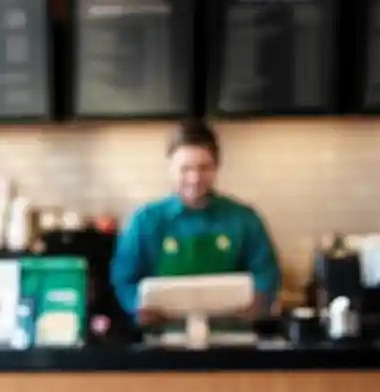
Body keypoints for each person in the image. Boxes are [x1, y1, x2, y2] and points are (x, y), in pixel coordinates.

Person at [109, 119, 282, 327]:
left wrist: (259, 300)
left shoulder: (244, 219)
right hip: (162, 341)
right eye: (186, 168)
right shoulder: (145, 221)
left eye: (204, 168)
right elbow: (123, 279)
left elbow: (267, 274)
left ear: (217, 167)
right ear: (170, 167)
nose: (195, 178)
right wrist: (138, 305)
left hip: (232, 340)